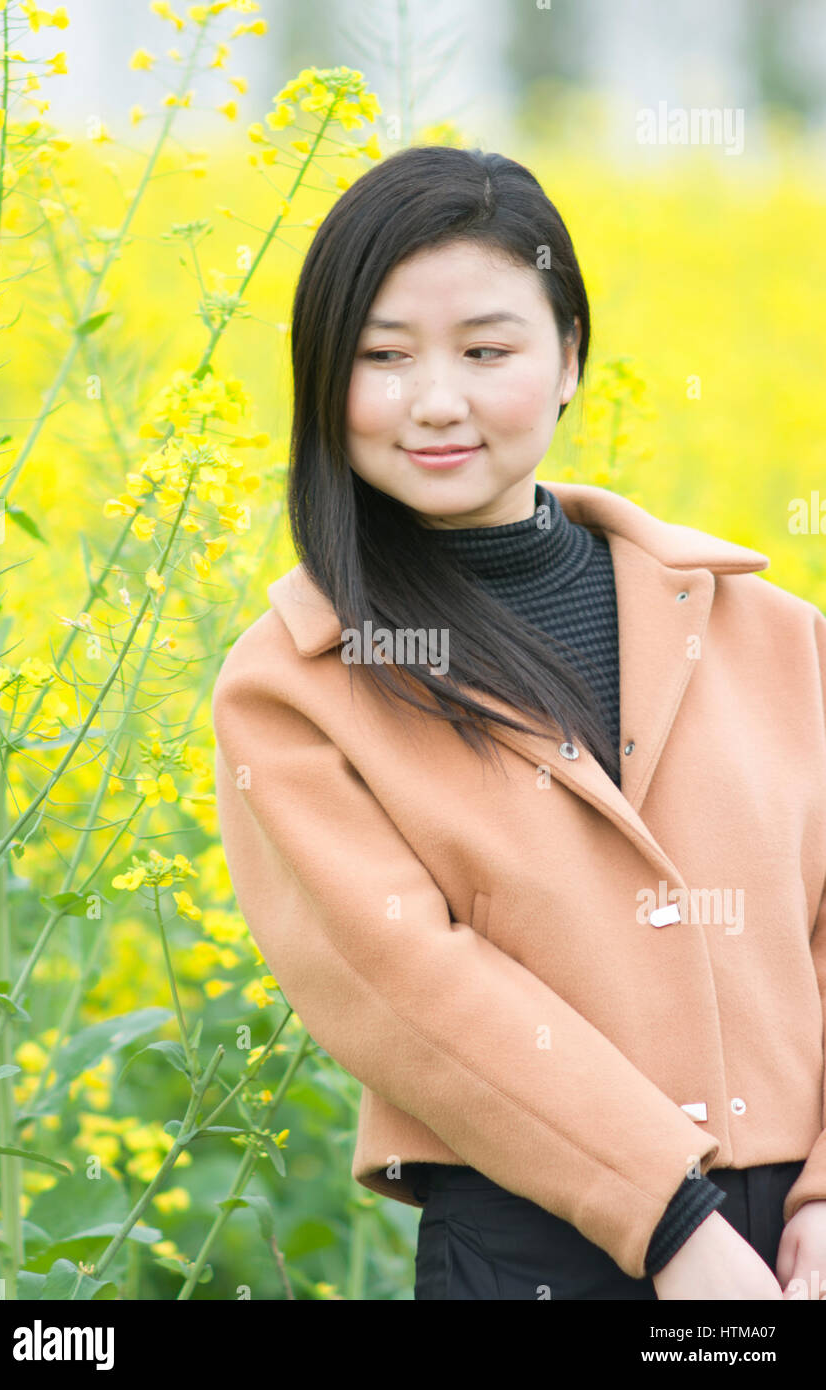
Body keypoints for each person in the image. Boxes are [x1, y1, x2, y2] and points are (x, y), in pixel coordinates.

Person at [212, 144, 826, 1300]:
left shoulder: (769, 628)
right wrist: (671, 1224)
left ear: (567, 361)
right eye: (381, 358)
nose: (433, 401)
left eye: (486, 351)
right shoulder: (294, 688)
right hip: (538, 1249)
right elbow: (410, 992)